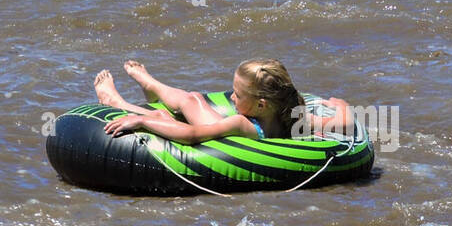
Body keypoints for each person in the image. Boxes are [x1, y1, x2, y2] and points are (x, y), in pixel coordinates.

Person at [94, 58, 353, 143]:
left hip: (231, 140)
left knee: (191, 102)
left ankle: (119, 103)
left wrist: (140, 121)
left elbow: (192, 134)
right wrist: (341, 105)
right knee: (192, 101)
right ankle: (151, 88)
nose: (230, 97)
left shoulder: (240, 123)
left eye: (238, 95)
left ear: (261, 105)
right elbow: (345, 124)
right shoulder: (296, 119)